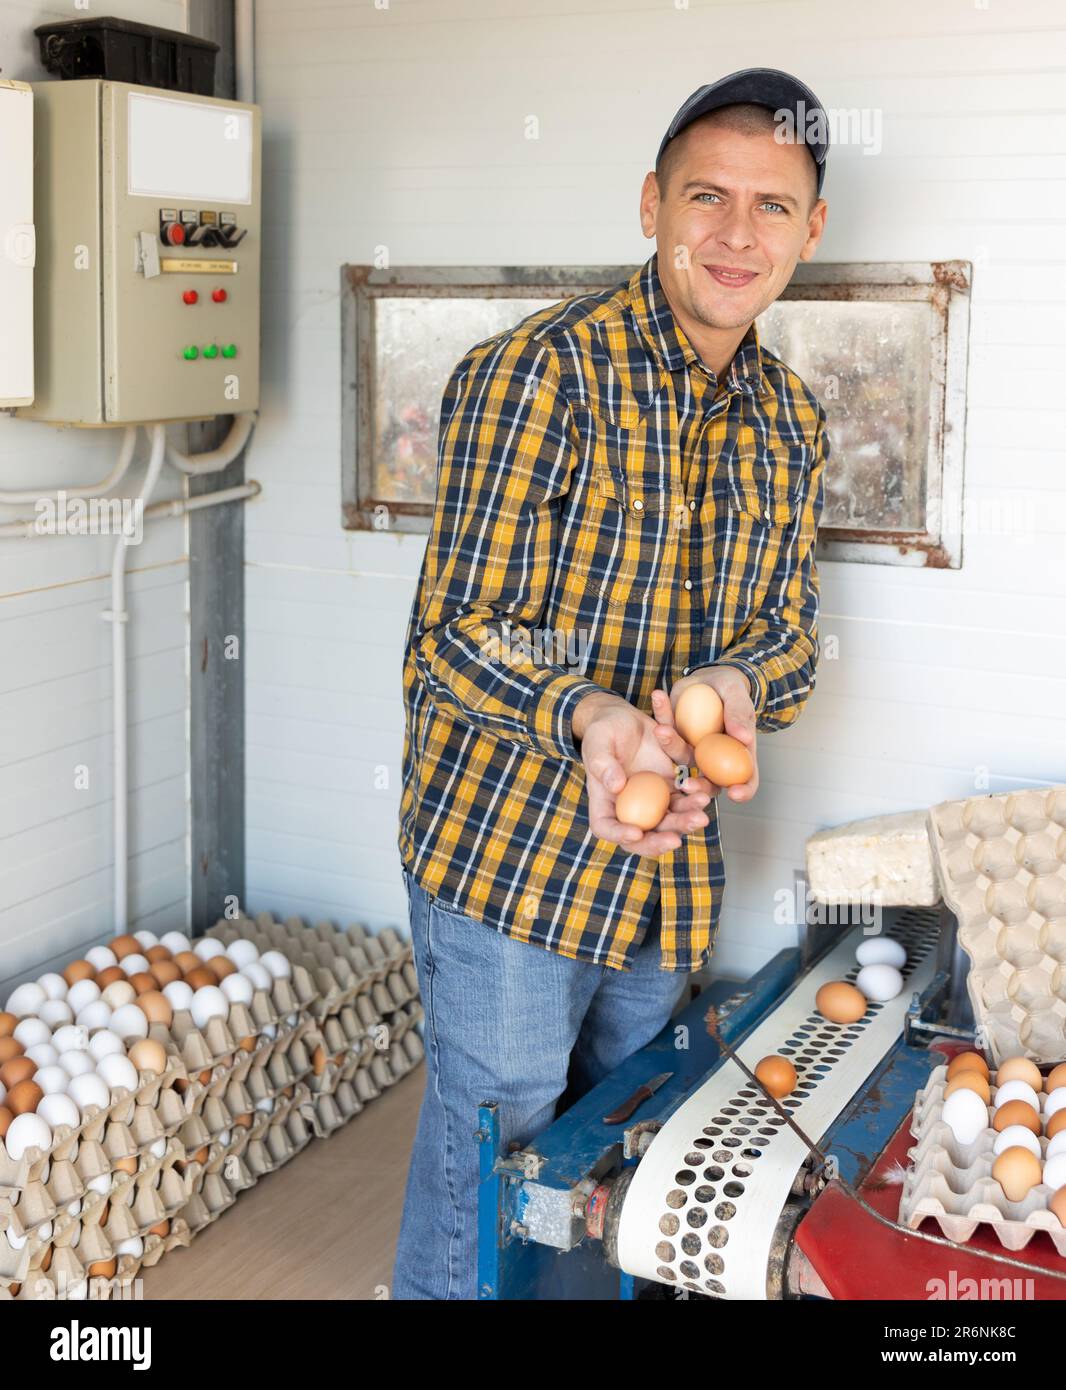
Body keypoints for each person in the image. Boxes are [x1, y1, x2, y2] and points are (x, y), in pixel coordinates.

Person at [393, 68, 830, 1300]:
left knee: (615, 1144)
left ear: (810, 230)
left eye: (772, 206)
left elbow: (790, 634)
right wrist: (590, 713)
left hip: (669, 865)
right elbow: (452, 632)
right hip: (509, 860)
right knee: (493, 1148)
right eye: (706, 197)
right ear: (650, 204)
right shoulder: (539, 375)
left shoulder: (790, 424)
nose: (736, 234)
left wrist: (740, 679)